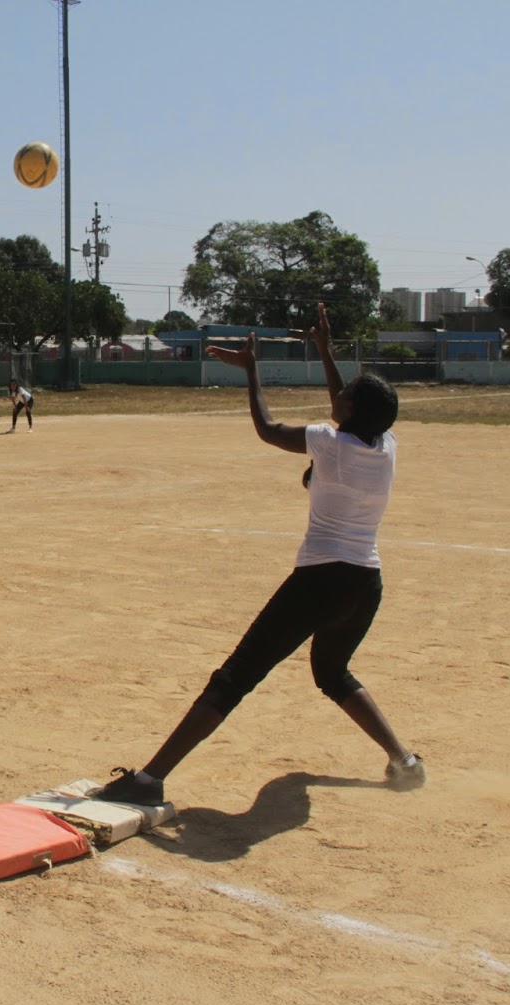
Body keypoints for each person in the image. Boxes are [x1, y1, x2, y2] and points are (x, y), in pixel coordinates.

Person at [95, 302, 424, 806]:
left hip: (320, 581)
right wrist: (324, 350)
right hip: (365, 583)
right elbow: (348, 405)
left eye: (346, 396)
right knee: (332, 673)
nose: (338, 396)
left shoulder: (329, 444)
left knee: (236, 675)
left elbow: (268, 428)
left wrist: (253, 374)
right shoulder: (385, 445)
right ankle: (404, 762)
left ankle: (151, 778)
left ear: (350, 412)